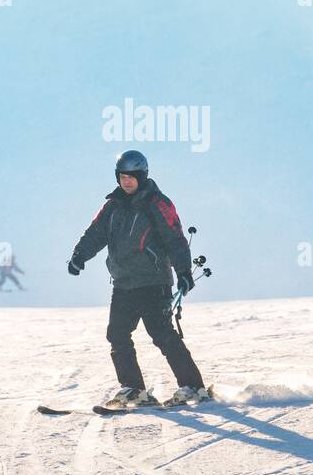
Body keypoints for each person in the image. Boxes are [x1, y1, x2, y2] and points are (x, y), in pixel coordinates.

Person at [67, 150, 209, 408]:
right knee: (117, 335)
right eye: (122, 176)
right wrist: (79, 256)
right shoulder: (113, 205)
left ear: (142, 176)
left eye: (132, 176)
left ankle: (194, 387)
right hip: (123, 283)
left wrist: (184, 273)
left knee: (162, 333)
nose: (127, 181)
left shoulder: (157, 203)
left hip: (153, 281)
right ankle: (133, 389)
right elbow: (95, 233)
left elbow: (175, 239)